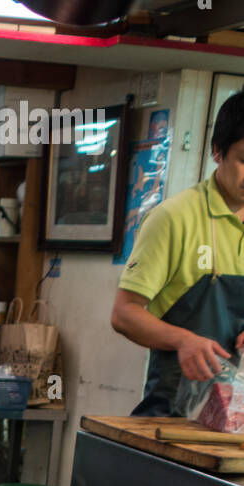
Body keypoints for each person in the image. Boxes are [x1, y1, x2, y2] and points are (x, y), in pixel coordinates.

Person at [111, 89, 244, 416]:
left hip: (237, 421)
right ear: (217, 152)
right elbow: (124, 313)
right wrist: (182, 339)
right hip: (173, 416)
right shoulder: (175, 218)